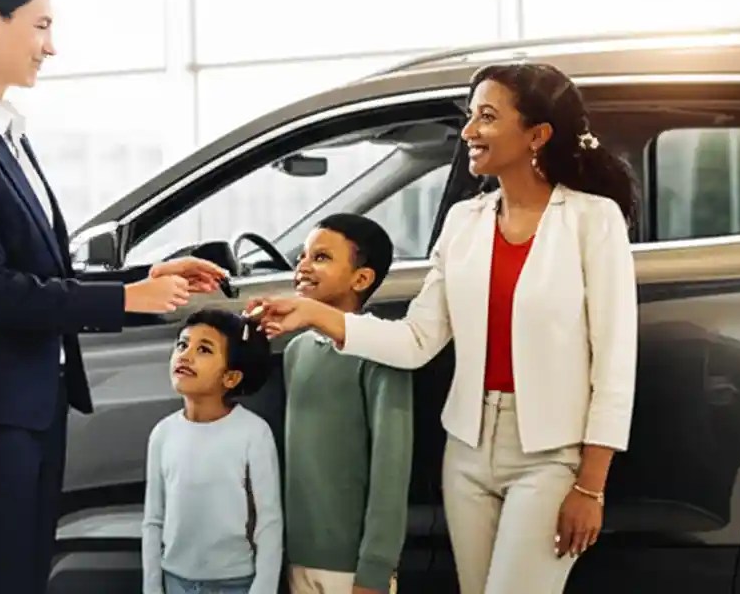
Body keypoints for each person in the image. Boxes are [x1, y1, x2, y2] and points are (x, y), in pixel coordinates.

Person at [0, 0, 227, 594]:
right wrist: (130, 297)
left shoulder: (1, 133)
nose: (52, 46)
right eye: (41, 26)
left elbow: (46, 270)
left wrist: (148, 276)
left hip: (32, 406)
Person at [247, 62, 639, 594]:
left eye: (487, 117)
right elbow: (414, 341)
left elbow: (615, 363)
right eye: (471, 116)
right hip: (467, 453)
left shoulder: (594, 221)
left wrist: (590, 487)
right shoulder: (464, 222)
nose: (470, 131)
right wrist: (317, 314)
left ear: (537, 136)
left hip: (550, 458)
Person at [282, 214, 412, 594]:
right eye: (301, 257)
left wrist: (374, 569)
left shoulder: (380, 354)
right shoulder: (297, 351)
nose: (303, 266)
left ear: (361, 279)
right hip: (300, 558)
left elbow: (392, 469)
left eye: (320, 258)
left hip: (353, 569)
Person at [142, 308, 282, 594]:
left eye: (204, 349)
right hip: (175, 579)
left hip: (235, 583)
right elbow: (153, 521)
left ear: (231, 378)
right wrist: (153, 586)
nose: (186, 354)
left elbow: (269, 523)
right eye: (182, 344)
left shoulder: (253, 433)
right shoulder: (163, 433)